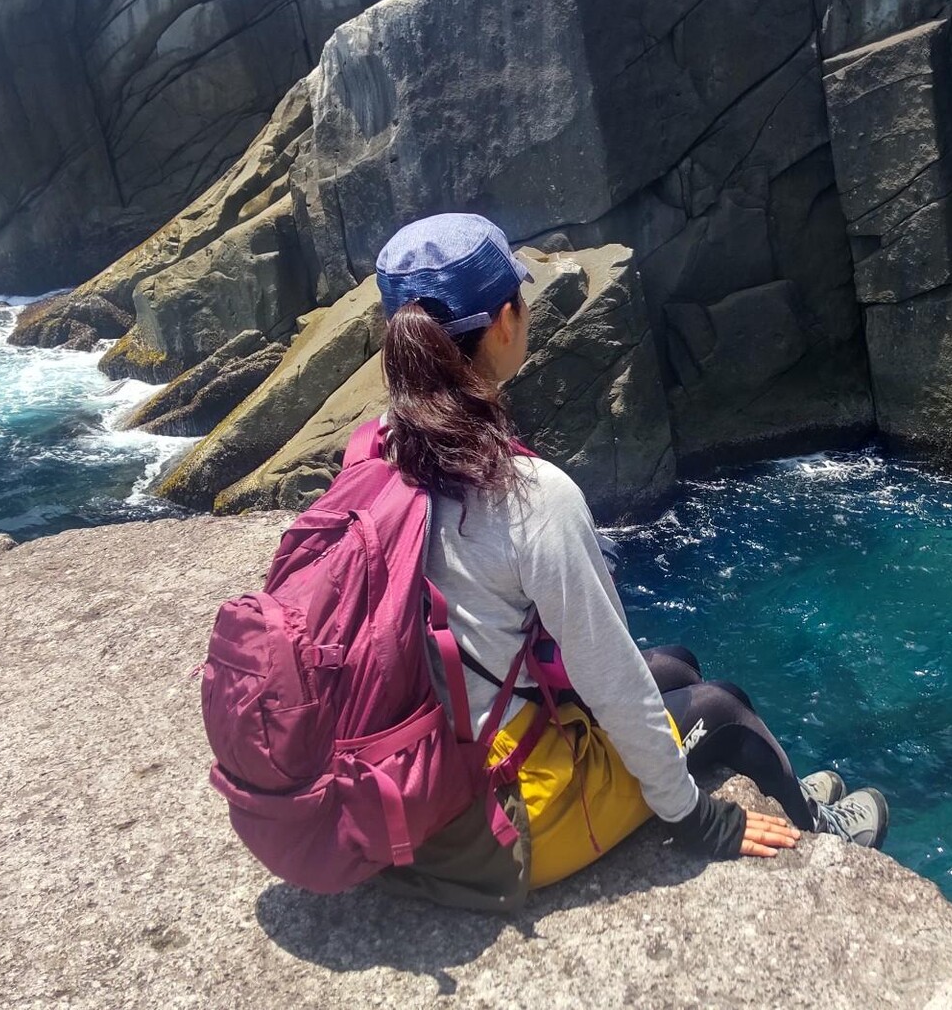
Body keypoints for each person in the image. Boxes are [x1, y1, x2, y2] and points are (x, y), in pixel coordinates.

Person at [369, 212, 888, 891]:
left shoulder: (379, 453)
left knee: (675, 665)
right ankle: (814, 822)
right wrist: (701, 819)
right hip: (497, 820)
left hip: (415, 765)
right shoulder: (528, 497)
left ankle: (776, 775)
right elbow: (612, 685)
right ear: (504, 321)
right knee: (724, 710)